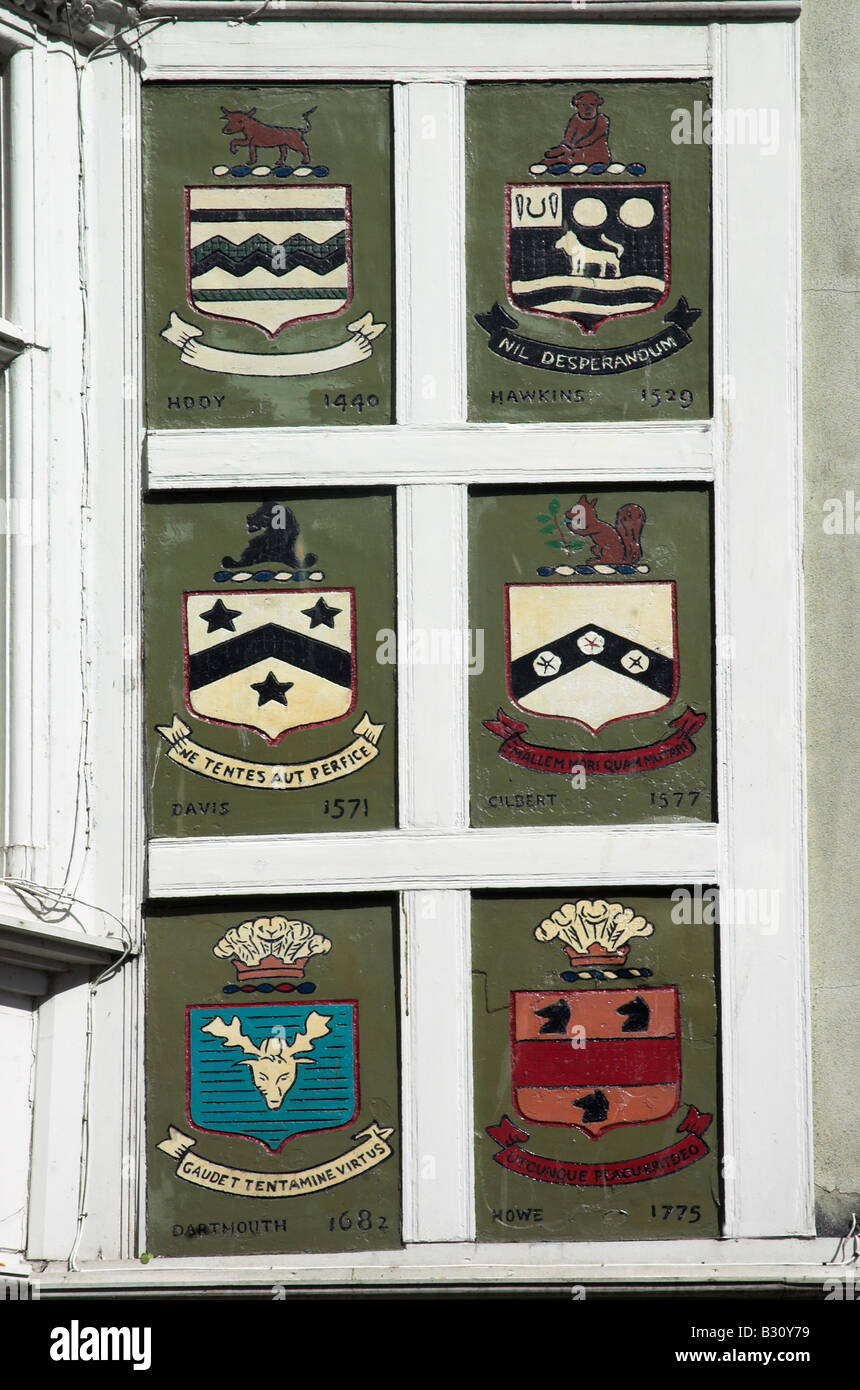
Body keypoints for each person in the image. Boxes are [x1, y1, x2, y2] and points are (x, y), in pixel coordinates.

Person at [543, 90, 612, 166]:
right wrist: (563, 148)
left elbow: (590, 139)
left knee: (563, 161)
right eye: (583, 105)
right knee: (547, 162)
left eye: (592, 105)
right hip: (574, 153)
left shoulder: (602, 120)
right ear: (577, 106)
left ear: (597, 105)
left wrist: (571, 149)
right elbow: (568, 138)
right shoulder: (575, 119)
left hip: (595, 156)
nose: (587, 109)